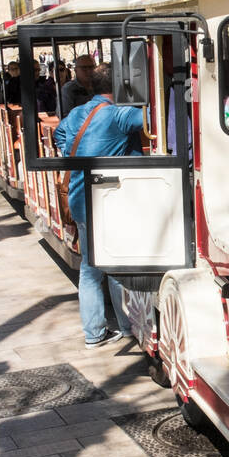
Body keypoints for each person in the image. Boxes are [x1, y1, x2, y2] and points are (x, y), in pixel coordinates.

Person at [53, 65, 145, 348]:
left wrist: (76, 155)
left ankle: (94, 333)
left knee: (91, 269)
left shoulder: (77, 113)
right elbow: (158, 119)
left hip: (81, 199)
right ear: (118, 87)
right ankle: (129, 327)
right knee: (117, 264)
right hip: (110, 200)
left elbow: (59, 136)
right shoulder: (119, 114)